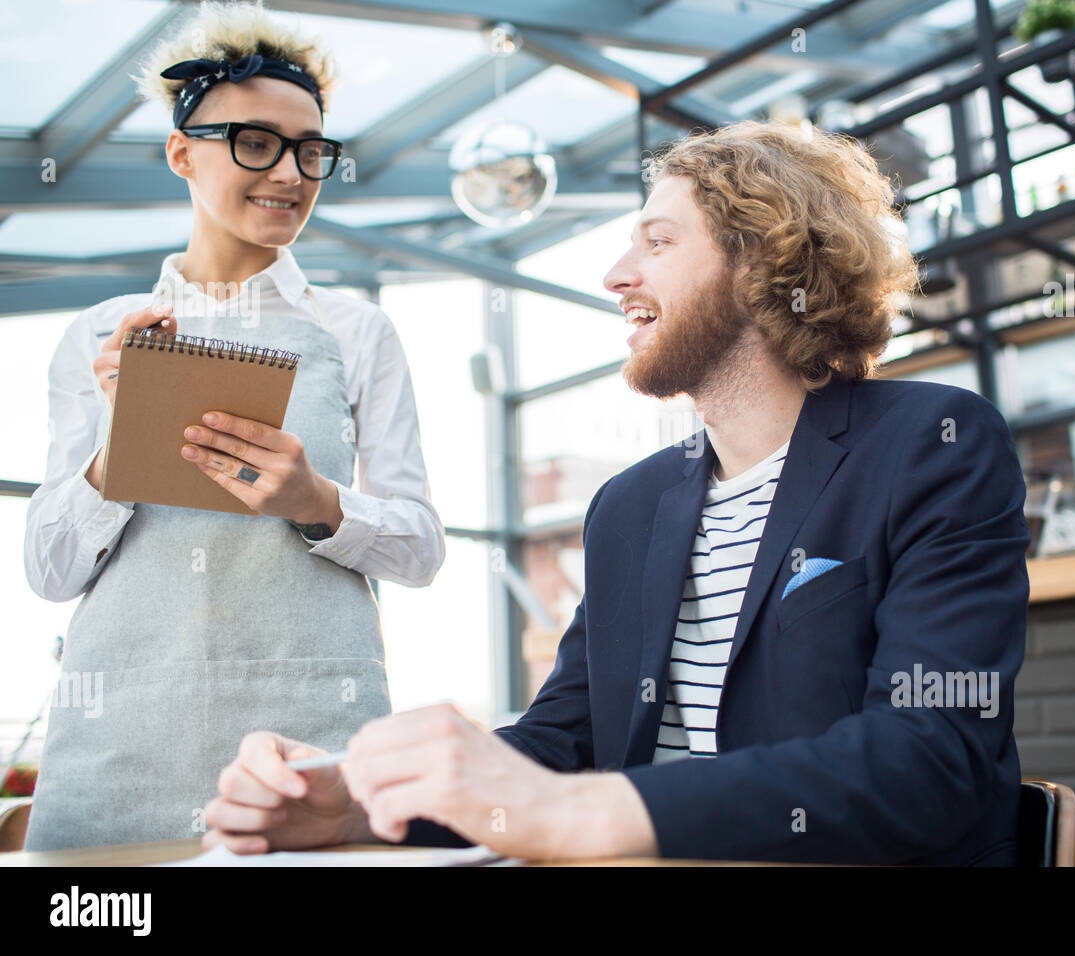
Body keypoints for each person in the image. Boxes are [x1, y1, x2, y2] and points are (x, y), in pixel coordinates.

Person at [202, 120, 1028, 865]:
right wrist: (362, 806)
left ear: (765, 263)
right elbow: (564, 742)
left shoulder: (932, 445)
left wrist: (577, 816)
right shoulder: (631, 506)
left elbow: (930, 762)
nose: (615, 275)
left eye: (657, 243)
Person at [22, 0, 445, 850]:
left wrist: (317, 500)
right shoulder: (100, 334)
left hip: (306, 742)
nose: (290, 173)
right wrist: (116, 440)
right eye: (255, 142)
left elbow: (421, 547)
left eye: (311, 149)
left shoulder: (358, 331)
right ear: (181, 151)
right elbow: (49, 569)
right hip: (120, 741)